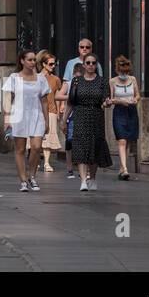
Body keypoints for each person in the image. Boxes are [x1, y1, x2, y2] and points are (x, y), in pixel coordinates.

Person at [57, 51, 111, 192]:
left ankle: (92, 177)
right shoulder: (76, 81)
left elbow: (105, 99)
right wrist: (64, 121)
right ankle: (83, 181)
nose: (91, 65)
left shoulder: (102, 81)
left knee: (94, 146)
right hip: (80, 114)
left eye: (94, 63)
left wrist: (107, 103)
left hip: (96, 116)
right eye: (88, 63)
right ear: (84, 65)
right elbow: (70, 102)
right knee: (80, 145)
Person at [2, 50, 50, 192]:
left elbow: (45, 101)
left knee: (36, 147)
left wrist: (47, 121)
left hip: (36, 115)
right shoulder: (14, 77)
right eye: (29, 60)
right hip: (19, 116)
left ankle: (32, 176)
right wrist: (7, 118)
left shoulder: (41, 78)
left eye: (34, 59)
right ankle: (23, 180)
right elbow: (7, 98)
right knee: (20, 149)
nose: (32, 62)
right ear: (22, 61)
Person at [61, 39, 96, 176]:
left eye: (87, 47)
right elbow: (66, 84)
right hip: (75, 108)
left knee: (88, 140)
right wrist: (64, 104)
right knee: (71, 140)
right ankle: (73, 167)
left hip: (91, 108)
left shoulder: (95, 63)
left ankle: (87, 169)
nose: (85, 49)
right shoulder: (71, 63)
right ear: (78, 48)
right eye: (82, 47)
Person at [109, 55, 140, 179]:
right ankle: (125, 169)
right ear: (117, 69)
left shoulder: (133, 79)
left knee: (128, 141)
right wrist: (121, 102)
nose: (124, 74)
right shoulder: (112, 81)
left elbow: (138, 95)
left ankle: (122, 168)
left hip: (131, 110)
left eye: (126, 71)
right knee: (121, 140)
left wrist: (135, 100)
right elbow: (111, 99)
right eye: (122, 71)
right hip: (119, 111)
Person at [37, 50, 62, 172]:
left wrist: (58, 110)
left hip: (51, 110)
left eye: (54, 64)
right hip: (38, 110)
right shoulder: (36, 77)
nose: (53, 66)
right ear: (43, 64)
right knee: (36, 137)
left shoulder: (56, 79)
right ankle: (35, 160)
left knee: (48, 136)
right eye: (50, 64)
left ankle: (46, 162)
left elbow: (57, 95)